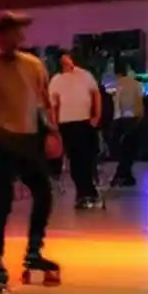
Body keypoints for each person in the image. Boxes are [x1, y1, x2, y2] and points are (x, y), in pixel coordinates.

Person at [0, 12, 62, 293]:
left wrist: (51, 132)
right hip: (0, 141)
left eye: (18, 34)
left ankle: (34, 249)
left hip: (27, 141)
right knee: (3, 199)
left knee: (43, 192)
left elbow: (43, 103)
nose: (17, 38)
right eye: (10, 33)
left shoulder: (34, 65)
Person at [49, 51, 103, 208]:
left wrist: (96, 117)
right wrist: (54, 125)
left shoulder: (85, 76)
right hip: (66, 123)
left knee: (87, 157)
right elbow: (53, 105)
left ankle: (88, 191)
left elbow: (96, 95)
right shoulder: (57, 80)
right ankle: (84, 192)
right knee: (75, 159)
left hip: (85, 121)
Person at [109, 59, 145, 187]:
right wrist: (140, 116)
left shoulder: (117, 84)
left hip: (120, 119)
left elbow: (116, 104)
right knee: (130, 150)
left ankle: (122, 175)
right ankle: (125, 175)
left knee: (123, 149)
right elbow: (139, 102)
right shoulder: (136, 84)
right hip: (134, 118)